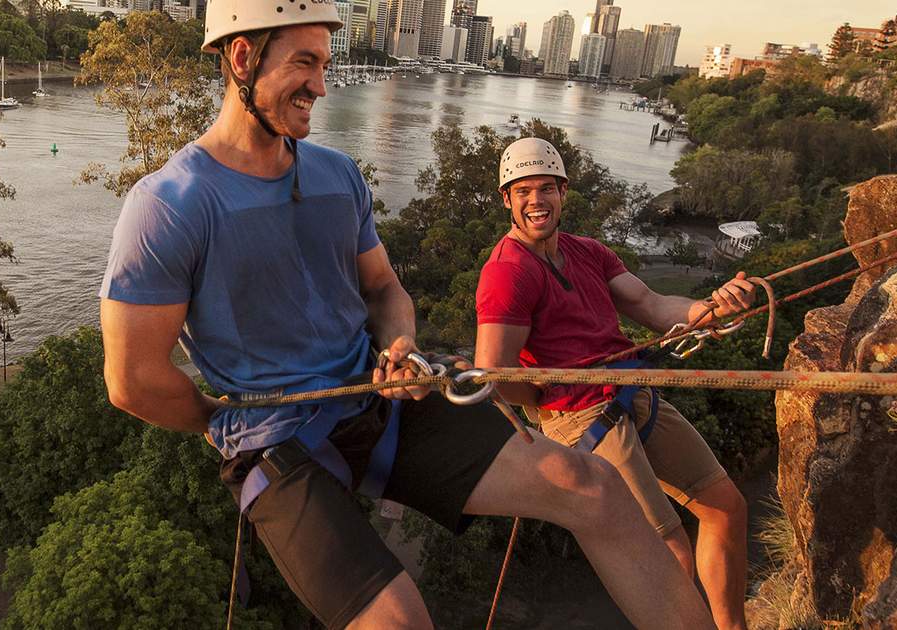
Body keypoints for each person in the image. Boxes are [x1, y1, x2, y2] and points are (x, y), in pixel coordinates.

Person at [99, 2, 713, 627]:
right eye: (304, 63)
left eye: (325, 64)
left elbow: (385, 290)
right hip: (276, 441)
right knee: (398, 622)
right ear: (241, 58)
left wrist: (400, 345)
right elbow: (133, 381)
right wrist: (218, 421)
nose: (320, 84)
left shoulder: (338, 176)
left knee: (595, 488)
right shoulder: (169, 205)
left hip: (380, 401)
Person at [474, 137, 752, 630]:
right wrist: (546, 400)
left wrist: (707, 310)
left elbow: (648, 305)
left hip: (629, 393)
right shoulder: (507, 273)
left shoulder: (588, 253)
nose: (536, 200)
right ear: (506, 200)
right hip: (580, 418)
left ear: (563, 192)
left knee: (725, 507)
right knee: (666, 553)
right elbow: (494, 374)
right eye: (523, 191)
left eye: (546, 189)